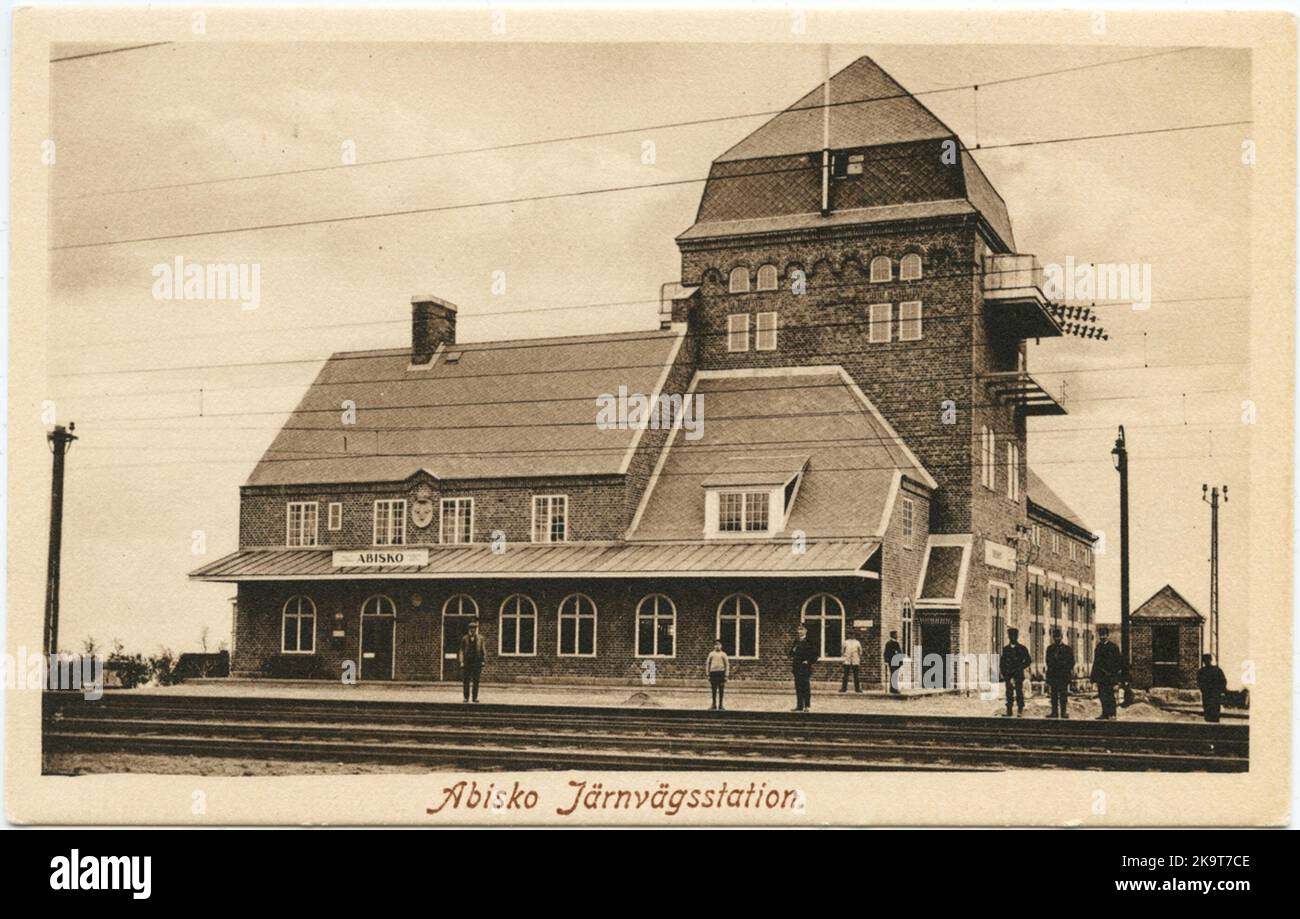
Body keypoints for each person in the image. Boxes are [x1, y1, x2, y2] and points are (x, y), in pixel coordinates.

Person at [1090, 625, 1124, 720]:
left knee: (1110, 696)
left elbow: (1118, 662)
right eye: (1100, 635)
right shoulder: (1098, 648)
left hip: (1110, 676)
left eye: (1104, 635)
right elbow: (1096, 663)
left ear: (1107, 635)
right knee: (1102, 695)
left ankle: (1112, 714)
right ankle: (1105, 713)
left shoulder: (1113, 647)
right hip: (1101, 677)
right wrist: (1093, 677)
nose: (1102, 637)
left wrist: (1115, 675)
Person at [999, 627, 1032, 717]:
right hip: (1008, 674)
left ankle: (1020, 710)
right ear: (1009, 636)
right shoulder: (1005, 649)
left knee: (1019, 692)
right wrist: (1004, 673)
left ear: (1017, 636)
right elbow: (1002, 662)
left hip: (1018, 674)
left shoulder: (1022, 648)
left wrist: (1020, 667)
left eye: (1014, 636)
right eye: (1010, 636)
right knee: (1009, 693)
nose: (1012, 637)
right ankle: (1009, 711)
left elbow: (1028, 660)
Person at [1044, 627, 1075, 719]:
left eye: (1058, 637)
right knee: (1053, 695)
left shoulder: (1067, 649)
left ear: (1062, 637)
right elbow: (1048, 661)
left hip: (1063, 676)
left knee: (1063, 695)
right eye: (1055, 637)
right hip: (1053, 675)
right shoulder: (1050, 649)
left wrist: (1064, 668)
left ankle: (1063, 712)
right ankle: (1054, 712)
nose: (1057, 639)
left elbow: (1071, 662)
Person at [790, 624, 818, 712]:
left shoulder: (810, 641)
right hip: (797, 667)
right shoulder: (796, 641)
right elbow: (791, 653)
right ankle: (799, 706)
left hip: (805, 668)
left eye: (801, 629)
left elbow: (815, 654)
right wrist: (792, 650)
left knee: (805, 687)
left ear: (806, 631)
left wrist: (808, 661)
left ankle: (807, 706)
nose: (799, 631)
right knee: (798, 687)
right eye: (798, 629)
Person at [458, 619, 487, 703]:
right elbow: (461, 651)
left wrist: (483, 660)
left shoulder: (480, 638)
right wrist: (462, 662)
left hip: (477, 662)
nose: (472, 630)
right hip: (467, 662)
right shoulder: (465, 638)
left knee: (476, 680)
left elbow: (483, 650)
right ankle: (466, 697)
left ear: (476, 629)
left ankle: (474, 698)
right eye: (471, 628)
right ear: (468, 629)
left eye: (474, 628)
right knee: (466, 680)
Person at [1197, 653, 1227, 723]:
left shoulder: (1201, 671)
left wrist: (1204, 690)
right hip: (1213, 695)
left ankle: (1211, 728)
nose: (1207, 661)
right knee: (1213, 712)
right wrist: (1220, 690)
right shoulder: (1217, 670)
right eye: (1206, 660)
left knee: (1209, 712)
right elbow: (1223, 681)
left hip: (1209, 695)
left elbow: (1199, 683)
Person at [706, 639, 730, 711]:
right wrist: (708, 674)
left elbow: (727, 665)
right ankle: (713, 704)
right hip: (713, 673)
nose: (717, 646)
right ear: (714, 646)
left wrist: (726, 675)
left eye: (719, 645)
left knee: (721, 689)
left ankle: (721, 705)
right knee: (713, 689)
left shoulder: (723, 654)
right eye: (716, 644)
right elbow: (708, 664)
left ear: (721, 646)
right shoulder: (711, 654)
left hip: (721, 673)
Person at [883, 630, 903, 695]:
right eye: (895, 635)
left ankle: (893, 688)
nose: (897, 636)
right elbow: (886, 653)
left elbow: (899, 653)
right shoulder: (889, 643)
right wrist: (886, 660)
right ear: (893, 635)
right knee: (894, 674)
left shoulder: (896, 643)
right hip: (892, 661)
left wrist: (901, 661)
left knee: (895, 674)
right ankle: (893, 688)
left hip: (896, 661)